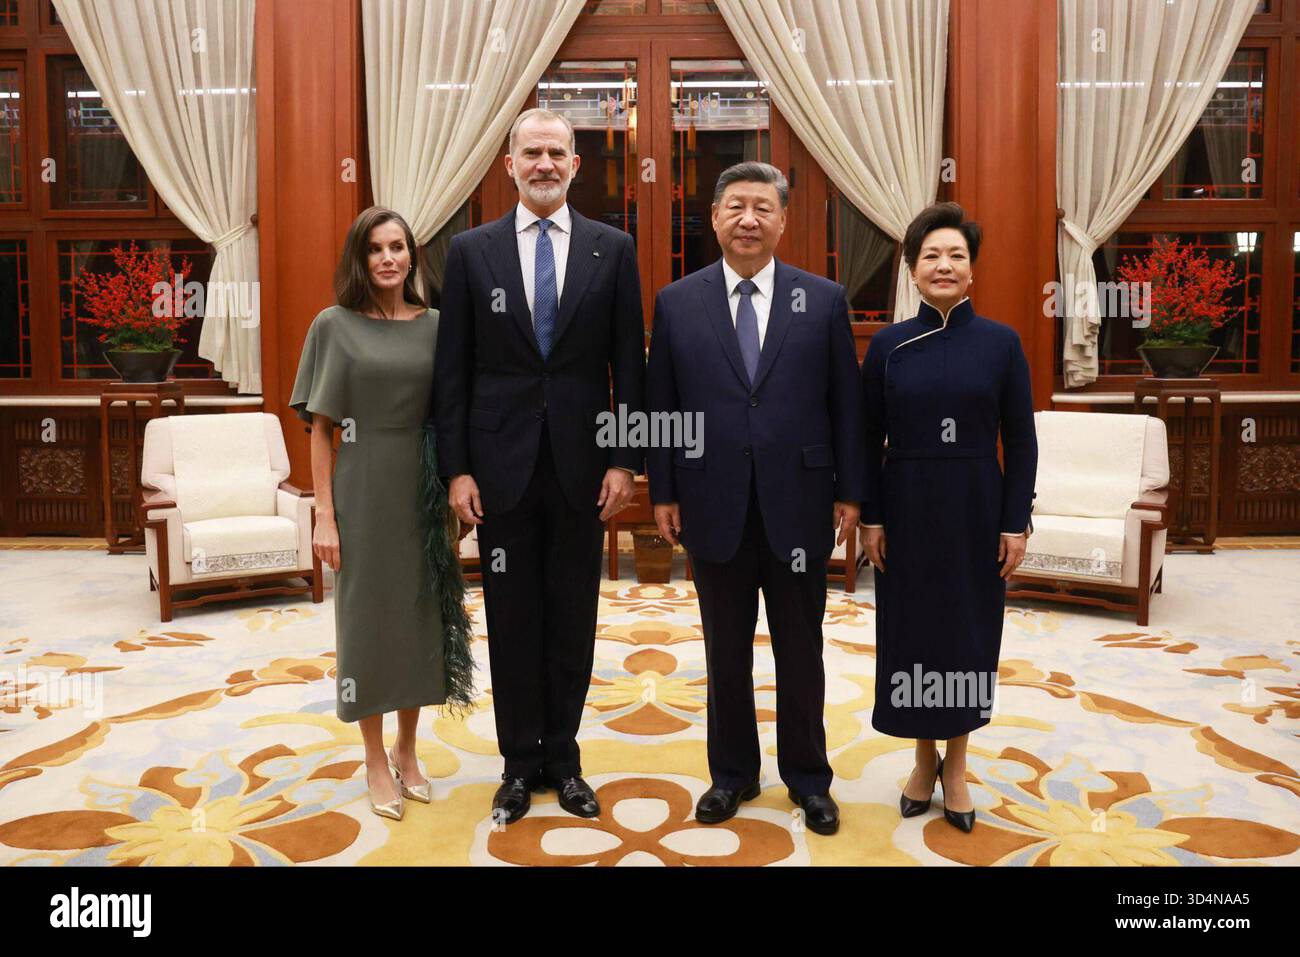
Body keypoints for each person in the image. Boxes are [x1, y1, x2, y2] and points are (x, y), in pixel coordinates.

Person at [434, 108, 646, 824]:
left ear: (576, 164)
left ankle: (565, 756)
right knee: (512, 615)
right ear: (510, 164)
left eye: (558, 152)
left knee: (573, 617)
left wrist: (625, 458)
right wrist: (457, 469)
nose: (546, 163)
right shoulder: (471, 252)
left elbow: (630, 365)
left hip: (585, 472)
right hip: (500, 471)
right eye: (533, 153)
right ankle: (518, 763)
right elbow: (452, 370)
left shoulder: (612, 249)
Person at [646, 162, 865, 836]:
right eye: (735, 205)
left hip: (799, 502)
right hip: (712, 503)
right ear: (713, 217)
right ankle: (732, 774)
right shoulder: (677, 301)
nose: (748, 219)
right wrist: (665, 489)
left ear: (782, 220)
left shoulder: (822, 299)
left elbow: (846, 405)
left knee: (801, 650)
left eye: (762, 207)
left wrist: (852, 492)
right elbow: (663, 404)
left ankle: (809, 779)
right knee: (725, 651)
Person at [289, 206, 475, 822]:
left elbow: (453, 413)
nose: (389, 258)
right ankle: (373, 757)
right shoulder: (333, 325)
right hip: (361, 486)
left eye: (398, 246)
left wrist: (455, 487)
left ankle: (408, 749)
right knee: (366, 622)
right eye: (375, 249)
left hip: (421, 487)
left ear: (412, 256)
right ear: (359, 258)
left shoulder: (438, 325)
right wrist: (324, 515)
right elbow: (321, 431)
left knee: (420, 619)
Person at [860, 201, 1037, 832]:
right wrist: (872, 519)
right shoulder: (887, 345)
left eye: (956, 255)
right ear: (911, 270)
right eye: (931, 255)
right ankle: (921, 756)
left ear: (972, 271)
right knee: (910, 635)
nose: (944, 265)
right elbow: (865, 435)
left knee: (965, 637)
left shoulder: (1000, 344)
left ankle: (956, 764)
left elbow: (1020, 440)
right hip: (904, 507)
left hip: (975, 508)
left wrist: (1015, 522)